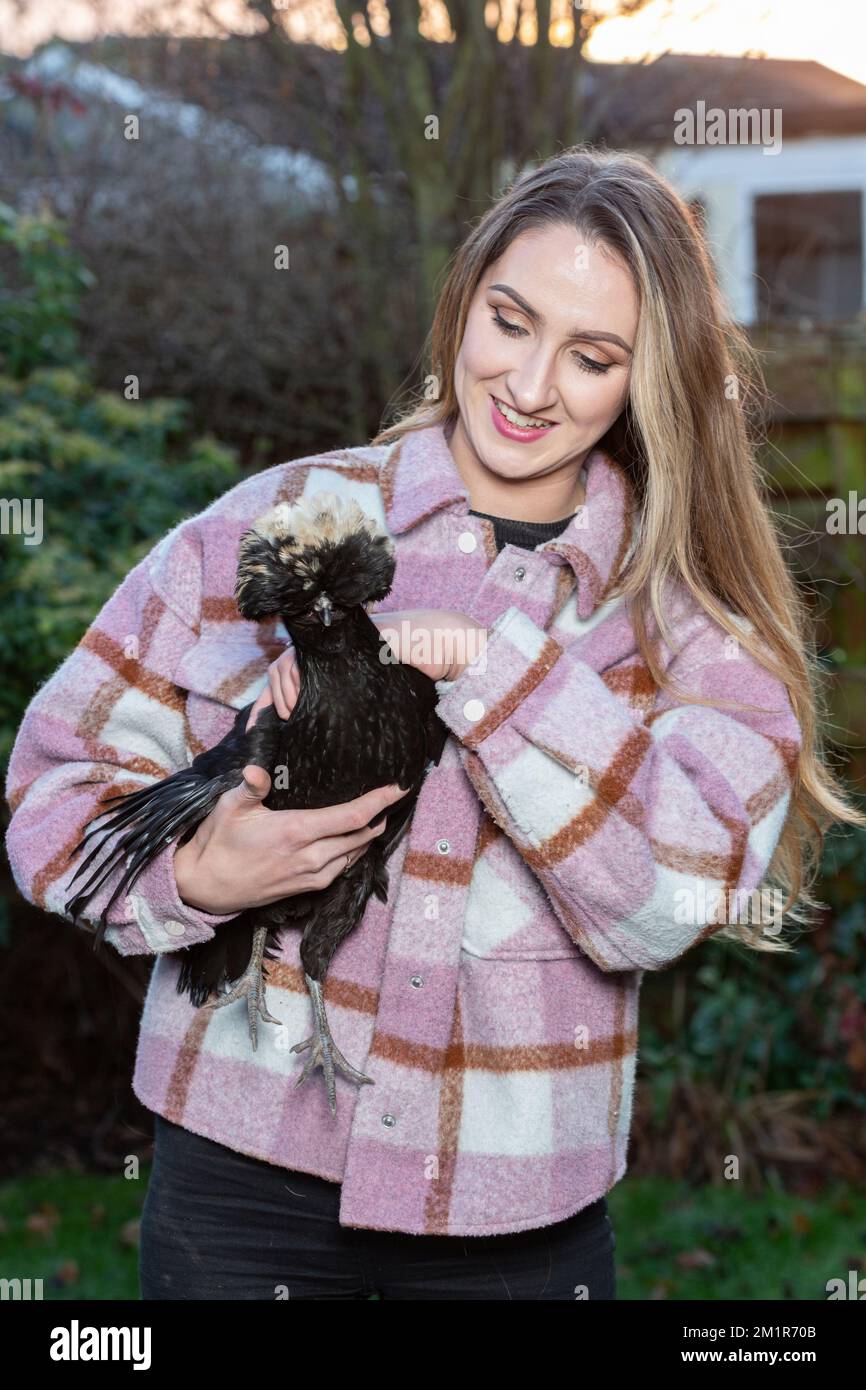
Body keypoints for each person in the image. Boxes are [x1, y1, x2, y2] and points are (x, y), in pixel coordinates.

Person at [5, 147, 861, 1302]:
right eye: (509, 321)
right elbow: (53, 786)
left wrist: (497, 672)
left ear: (645, 380)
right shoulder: (272, 525)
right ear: (462, 301)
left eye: (591, 356)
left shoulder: (688, 627)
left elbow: (669, 899)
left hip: (513, 1225)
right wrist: (196, 875)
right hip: (235, 1199)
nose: (531, 385)